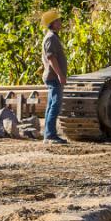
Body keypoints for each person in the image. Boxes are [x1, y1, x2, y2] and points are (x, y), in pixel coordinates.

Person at [40, 9, 69, 144]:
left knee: (51, 104)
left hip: (53, 77)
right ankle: (50, 135)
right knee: (55, 105)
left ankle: (48, 134)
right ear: (51, 23)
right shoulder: (51, 38)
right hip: (54, 77)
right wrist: (60, 75)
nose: (60, 22)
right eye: (57, 20)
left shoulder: (52, 36)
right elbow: (51, 57)